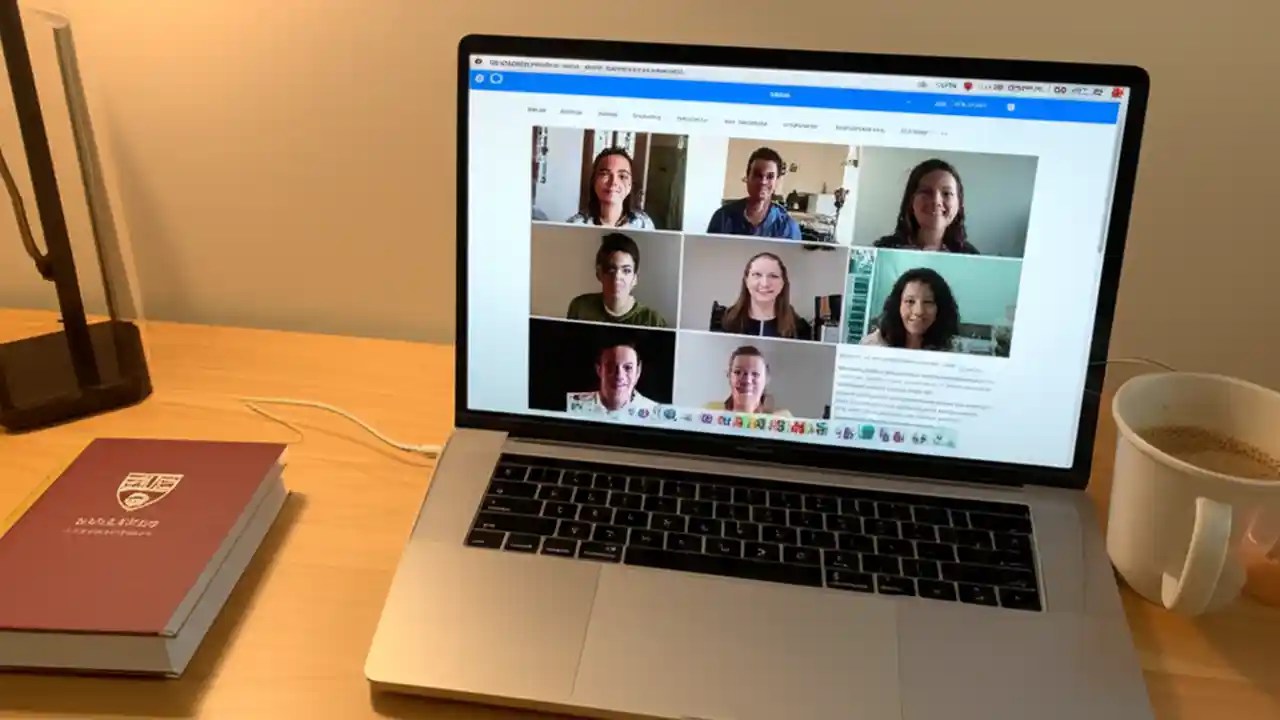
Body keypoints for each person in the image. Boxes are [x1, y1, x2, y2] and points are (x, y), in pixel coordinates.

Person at [874, 158, 980, 254]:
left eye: (947, 193)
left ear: (959, 204)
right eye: (926, 192)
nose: (936, 201)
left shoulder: (972, 257)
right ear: (911, 200)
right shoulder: (881, 250)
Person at [565, 233, 668, 327]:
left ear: (635, 278)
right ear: (599, 273)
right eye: (611, 269)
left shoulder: (653, 321)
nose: (617, 276)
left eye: (626, 271)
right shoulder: (580, 308)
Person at [705, 147, 801, 240]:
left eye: (770, 176)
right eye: (757, 175)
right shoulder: (722, 218)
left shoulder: (787, 227)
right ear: (747, 177)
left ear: (777, 181)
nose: (763, 181)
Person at [712, 252, 812, 339]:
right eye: (757, 275)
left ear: (783, 283)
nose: (765, 283)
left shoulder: (800, 328)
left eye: (773, 276)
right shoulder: (723, 321)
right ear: (746, 280)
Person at [861, 267, 960, 351]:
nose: (919, 311)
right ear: (897, 304)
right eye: (910, 301)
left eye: (928, 302)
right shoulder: (872, 346)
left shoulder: (951, 350)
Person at [566, 147, 655, 229]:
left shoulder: (643, 225)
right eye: (605, 174)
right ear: (594, 180)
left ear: (631, 184)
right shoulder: (575, 226)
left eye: (622, 176)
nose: (613, 182)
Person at [566, 340, 657, 417]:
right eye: (610, 367)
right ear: (599, 369)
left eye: (628, 368)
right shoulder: (572, 405)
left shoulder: (654, 412)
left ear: (638, 371)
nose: (619, 375)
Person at [705, 345, 792, 416]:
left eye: (755, 374)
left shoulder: (782, 419)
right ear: (729, 376)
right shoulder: (711, 412)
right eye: (738, 372)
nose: (747, 381)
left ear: (766, 379)